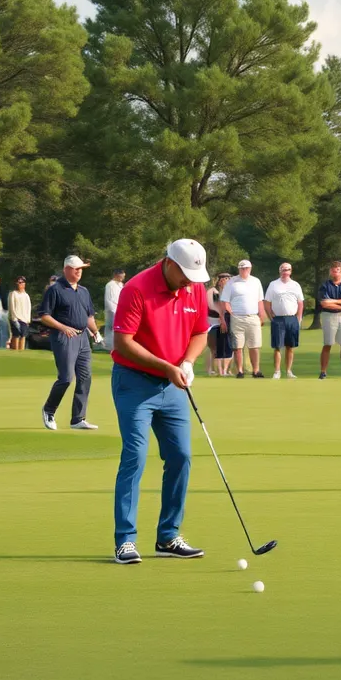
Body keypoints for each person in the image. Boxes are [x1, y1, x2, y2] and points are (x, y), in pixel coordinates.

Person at [109, 238, 210, 564]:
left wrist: (188, 362)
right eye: (185, 276)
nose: (189, 285)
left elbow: (200, 332)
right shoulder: (136, 289)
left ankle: (168, 536)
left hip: (172, 386)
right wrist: (168, 367)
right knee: (135, 456)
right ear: (169, 263)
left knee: (181, 456)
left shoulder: (193, 288)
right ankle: (125, 541)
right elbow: (123, 343)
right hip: (134, 383)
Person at [38, 256, 101, 430]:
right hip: (64, 337)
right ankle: (49, 410)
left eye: (81, 269)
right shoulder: (55, 289)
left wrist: (96, 332)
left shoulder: (83, 291)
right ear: (66, 269)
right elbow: (44, 315)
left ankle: (78, 419)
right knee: (66, 378)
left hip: (82, 338)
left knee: (85, 377)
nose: (79, 271)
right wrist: (63, 327)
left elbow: (88, 316)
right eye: (75, 269)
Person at [220, 260, 265, 377]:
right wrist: (230, 312)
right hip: (237, 318)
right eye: (242, 268)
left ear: (250, 268)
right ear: (239, 269)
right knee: (237, 346)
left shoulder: (256, 281)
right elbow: (225, 300)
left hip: (253, 316)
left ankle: (256, 370)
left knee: (254, 345)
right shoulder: (232, 282)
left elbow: (260, 300)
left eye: (246, 268)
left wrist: (261, 314)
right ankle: (240, 371)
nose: (244, 270)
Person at [264, 262, 304, 379]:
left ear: (290, 271)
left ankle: (288, 371)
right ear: (279, 271)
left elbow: (300, 302)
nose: (285, 272)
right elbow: (267, 302)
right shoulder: (273, 284)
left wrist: (299, 318)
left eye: (287, 270)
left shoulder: (295, 285)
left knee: (290, 346)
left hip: (292, 318)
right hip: (278, 319)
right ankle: (277, 371)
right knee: (277, 346)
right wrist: (270, 316)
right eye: (283, 269)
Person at [318, 260, 341, 380]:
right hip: (329, 316)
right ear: (331, 271)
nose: (336, 272)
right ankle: (323, 372)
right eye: (334, 270)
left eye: (338, 270)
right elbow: (324, 303)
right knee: (328, 343)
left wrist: (334, 301)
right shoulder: (325, 286)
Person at [211, 273, 234, 376]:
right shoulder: (216, 294)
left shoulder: (231, 292)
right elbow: (219, 309)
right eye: (225, 279)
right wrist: (222, 320)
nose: (226, 281)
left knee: (230, 344)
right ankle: (222, 371)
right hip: (222, 319)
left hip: (231, 318)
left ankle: (226, 370)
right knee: (223, 345)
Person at [104, 268, 125, 351]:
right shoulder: (110, 285)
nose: (122, 278)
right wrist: (114, 311)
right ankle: (111, 347)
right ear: (116, 275)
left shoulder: (120, 285)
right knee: (111, 328)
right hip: (112, 311)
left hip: (120, 310)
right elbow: (110, 299)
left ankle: (118, 346)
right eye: (121, 276)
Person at [8, 276, 31, 350]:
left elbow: (28, 308)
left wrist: (28, 319)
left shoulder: (26, 295)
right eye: (18, 282)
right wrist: (14, 318)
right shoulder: (13, 294)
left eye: (21, 282)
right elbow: (11, 306)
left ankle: (22, 351)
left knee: (23, 335)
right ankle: (15, 351)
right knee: (16, 335)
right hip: (16, 318)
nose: (19, 284)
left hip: (24, 319)